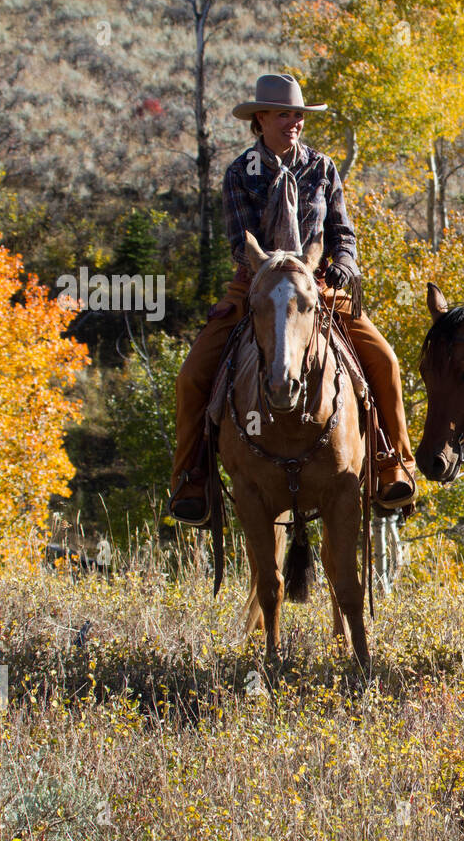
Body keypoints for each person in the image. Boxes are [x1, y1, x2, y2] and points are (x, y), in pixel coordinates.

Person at [168, 73, 416, 526]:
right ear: (260, 119)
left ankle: (391, 464)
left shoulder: (322, 168)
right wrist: (274, 269)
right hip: (256, 286)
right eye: (284, 114)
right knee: (192, 376)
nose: (295, 122)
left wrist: (344, 261)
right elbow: (238, 243)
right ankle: (191, 476)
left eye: (299, 114)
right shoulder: (240, 174)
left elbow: (343, 231)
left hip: (319, 284)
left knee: (385, 360)